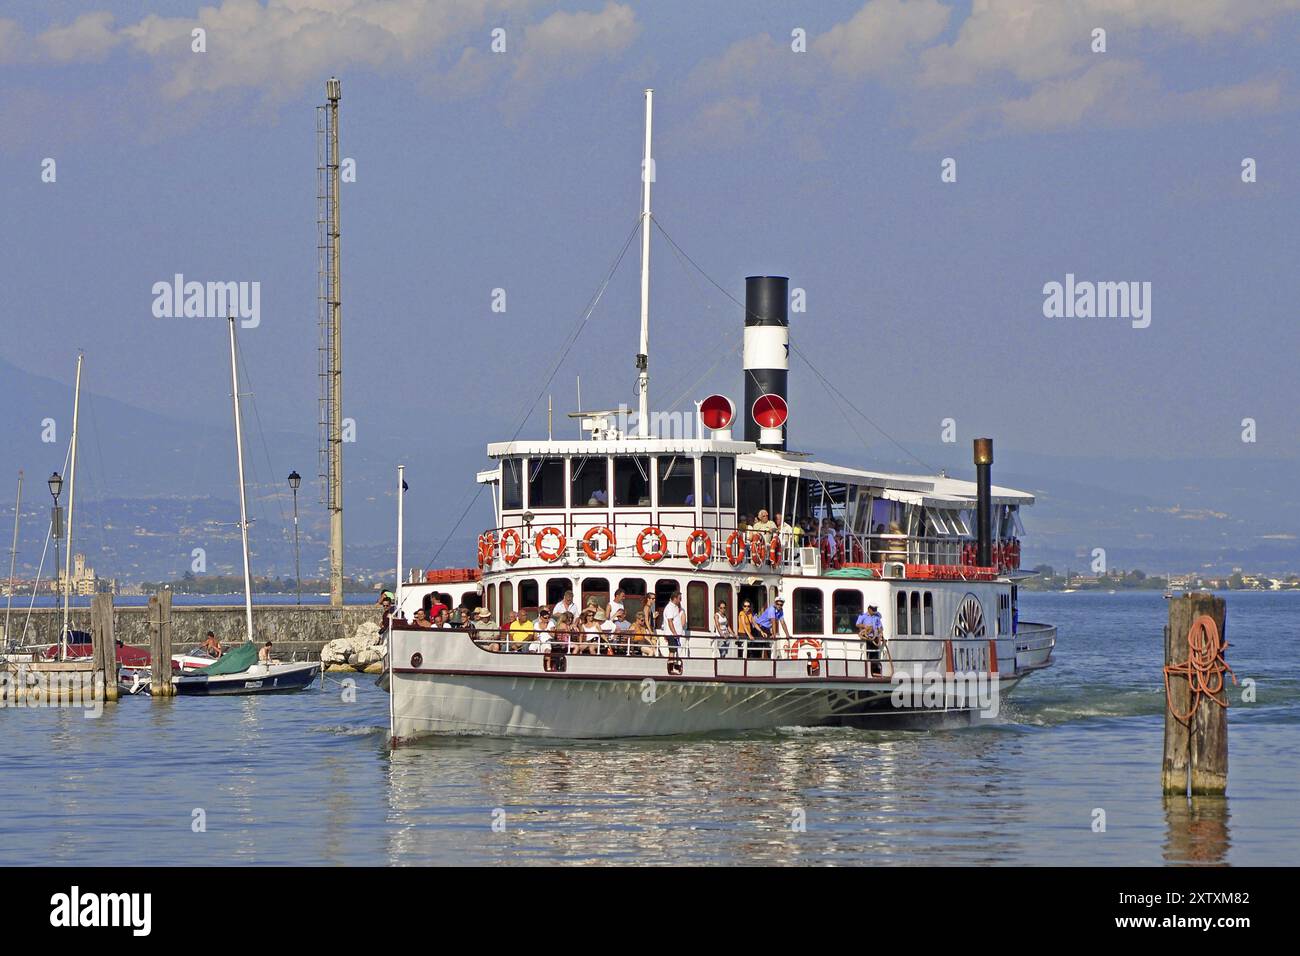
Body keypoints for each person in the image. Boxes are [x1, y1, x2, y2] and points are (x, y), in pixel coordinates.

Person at [856, 603, 885, 676]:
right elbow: (857, 624)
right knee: (867, 653)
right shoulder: (863, 616)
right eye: (873, 609)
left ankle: (874, 670)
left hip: (874, 637)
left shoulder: (876, 617)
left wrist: (880, 633)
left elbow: (880, 627)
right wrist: (865, 626)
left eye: (875, 609)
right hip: (867, 637)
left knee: (875, 654)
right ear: (869, 609)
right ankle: (867, 670)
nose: (875, 610)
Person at [661, 591, 686, 659]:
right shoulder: (669, 608)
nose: (680, 600)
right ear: (675, 598)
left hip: (675, 634)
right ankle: (671, 665)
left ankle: (674, 664)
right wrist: (674, 633)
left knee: (674, 650)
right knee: (672, 651)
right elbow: (670, 621)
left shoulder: (675, 607)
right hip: (672, 634)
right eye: (679, 598)